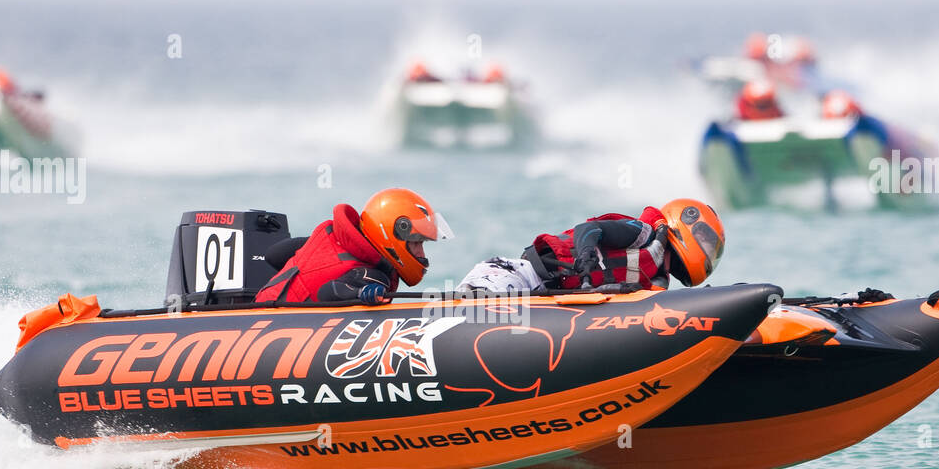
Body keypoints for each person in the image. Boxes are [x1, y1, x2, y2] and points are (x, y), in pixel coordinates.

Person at [478, 199, 723, 293]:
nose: (708, 250)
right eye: (706, 239)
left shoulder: (656, 282)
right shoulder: (644, 234)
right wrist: (586, 257)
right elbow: (589, 230)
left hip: (543, 301)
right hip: (517, 275)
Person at [256, 188, 453, 305]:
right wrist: (360, 293)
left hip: (253, 312)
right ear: (392, 236)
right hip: (272, 325)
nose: (421, 254)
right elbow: (327, 291)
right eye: (417, 243)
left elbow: (273, 255)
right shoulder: (374, 276)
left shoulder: (330, 235)